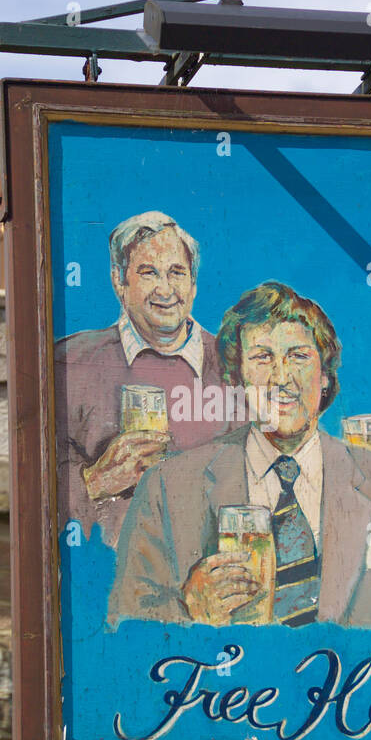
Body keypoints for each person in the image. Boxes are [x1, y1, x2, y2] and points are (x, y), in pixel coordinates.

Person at [110, 281, 371, 628]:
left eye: (299, 356)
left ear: (326, 377)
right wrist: (187, 610)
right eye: (262, 357)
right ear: (237, 378)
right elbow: (123, 626)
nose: (281, 377)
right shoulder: (167, 488)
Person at [54, 211, 232, 547]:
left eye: (176, 273)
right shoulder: (68, 363)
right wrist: (94, 480)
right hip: (106, 583)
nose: (165, 289)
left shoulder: (236, 366)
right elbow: (29, 491)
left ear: (193, 285)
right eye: (148, 273)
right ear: (119, 281)